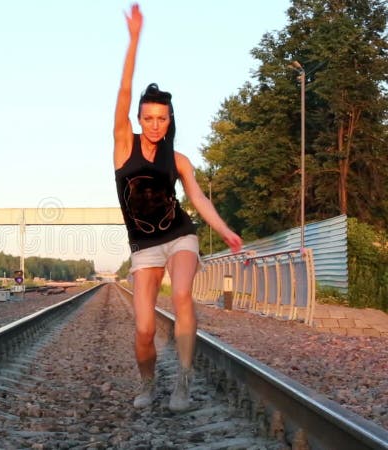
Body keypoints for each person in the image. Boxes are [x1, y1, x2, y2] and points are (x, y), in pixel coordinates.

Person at [113, 3, 243, 412]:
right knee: (144, 329)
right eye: (148, 118)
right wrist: (134, 40)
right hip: (143, 248)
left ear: (170, 121)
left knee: (183, 295)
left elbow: (198, 198)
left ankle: (183, 384)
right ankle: (149, 384)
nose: (155, 124)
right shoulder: (122, 146)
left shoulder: (178, 160)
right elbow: (123, 92)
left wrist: (222, 229)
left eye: (162, 118)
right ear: (139, 118)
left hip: (180, 235)